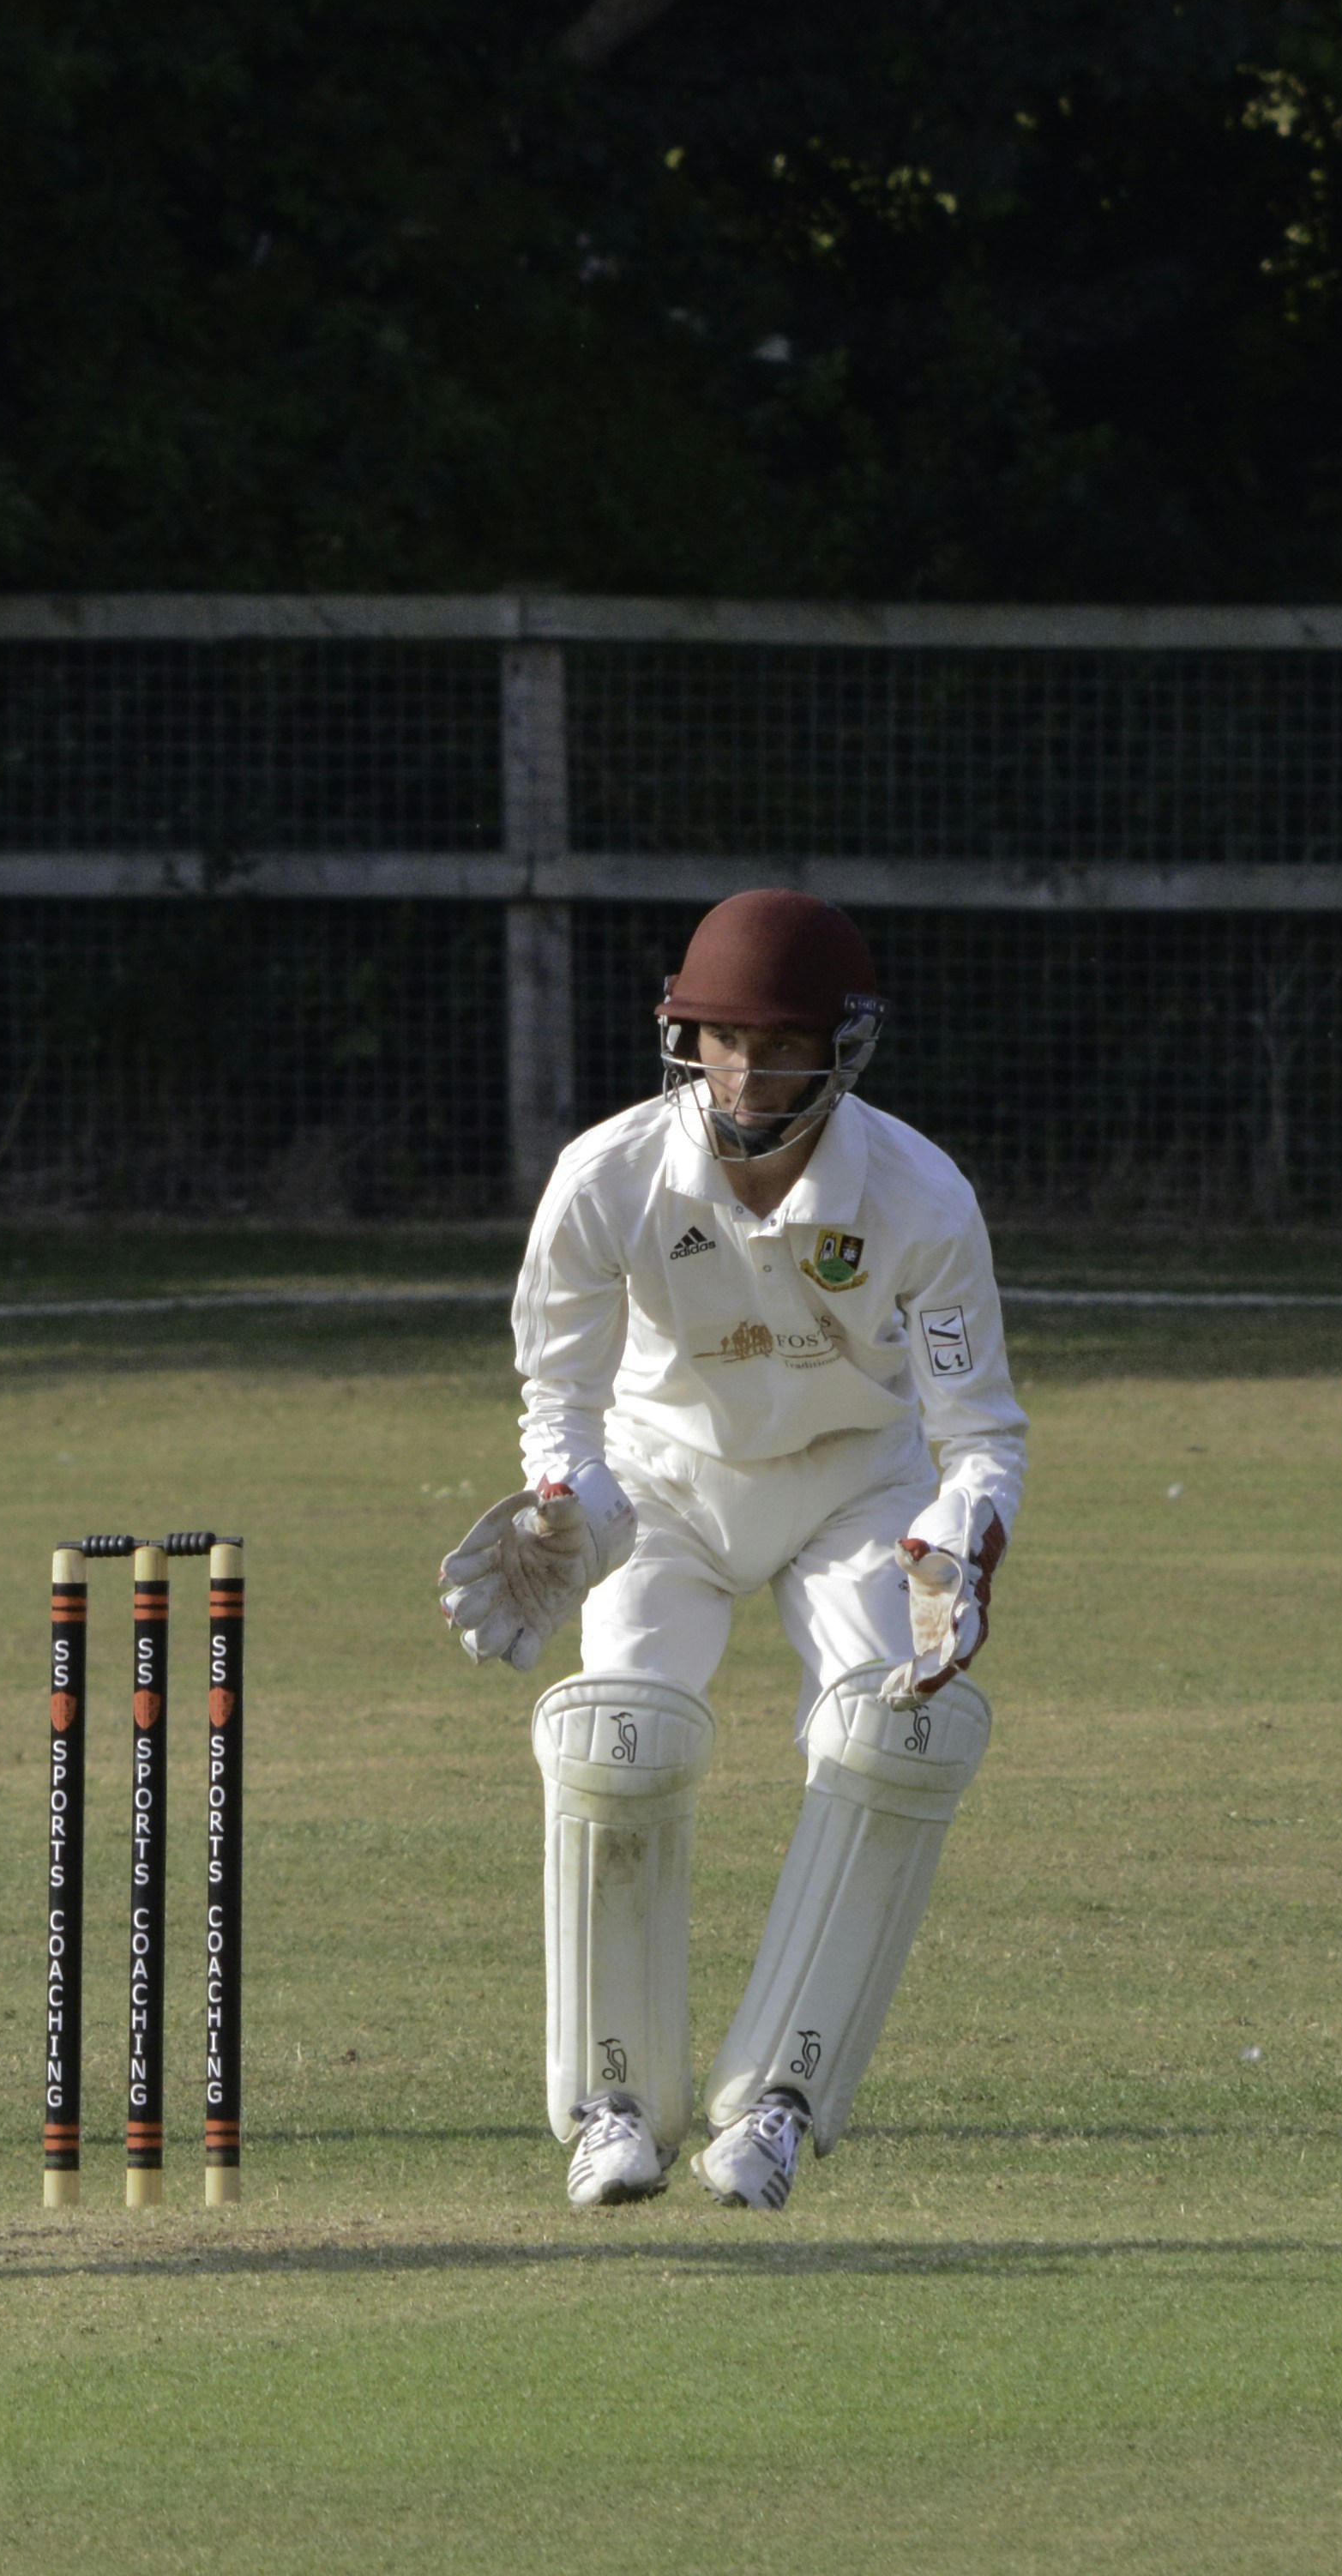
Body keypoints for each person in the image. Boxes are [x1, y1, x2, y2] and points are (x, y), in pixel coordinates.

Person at [436, 890, 1028, 2212]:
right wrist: (565, 1506)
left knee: (890, 1741)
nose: (750, 1072)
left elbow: (980, 1433)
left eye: (783, 1042)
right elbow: (563, 1397)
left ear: (844, 1046)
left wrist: (955, 1543)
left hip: (854, 1486)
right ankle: (612, 2108)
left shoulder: (919, 1194)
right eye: (722, 1038)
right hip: (666, 1481)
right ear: (681, 1034)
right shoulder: (609, 1175)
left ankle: (777, 2104)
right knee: (617, 1739)